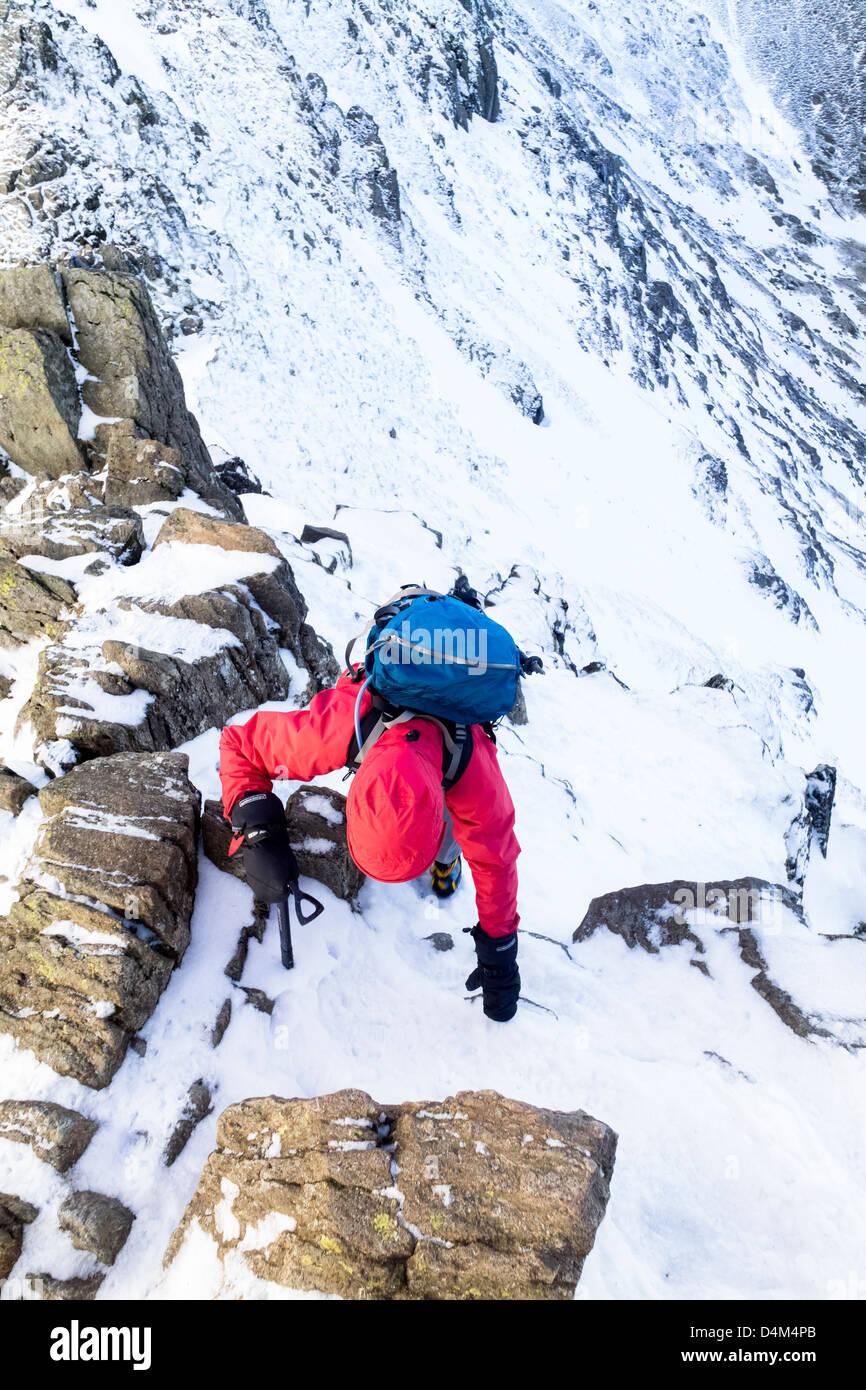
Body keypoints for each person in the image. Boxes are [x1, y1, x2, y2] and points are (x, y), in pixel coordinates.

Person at [219, 653, 522, 1021]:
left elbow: (495, 862)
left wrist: (500, 956)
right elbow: (239, 745)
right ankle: (444, 857)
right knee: (456, 813)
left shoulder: (474, 770)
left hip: (449, 753)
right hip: (397, 729)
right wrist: (258, 828)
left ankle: (445, 858)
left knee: (461, 818)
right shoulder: (338, 726)